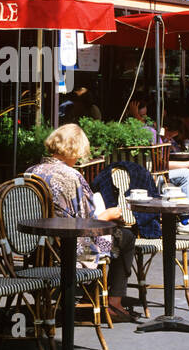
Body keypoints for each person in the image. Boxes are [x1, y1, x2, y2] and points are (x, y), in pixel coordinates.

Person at [26, 125, 139, 323]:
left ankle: (91, 295)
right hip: (71, 245)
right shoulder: (72, 176)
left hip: (40, 245)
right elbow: (87, 222)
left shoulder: (31, 172)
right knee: (126, 238)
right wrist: (110, 214)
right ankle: (113, 302)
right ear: (74, 149)